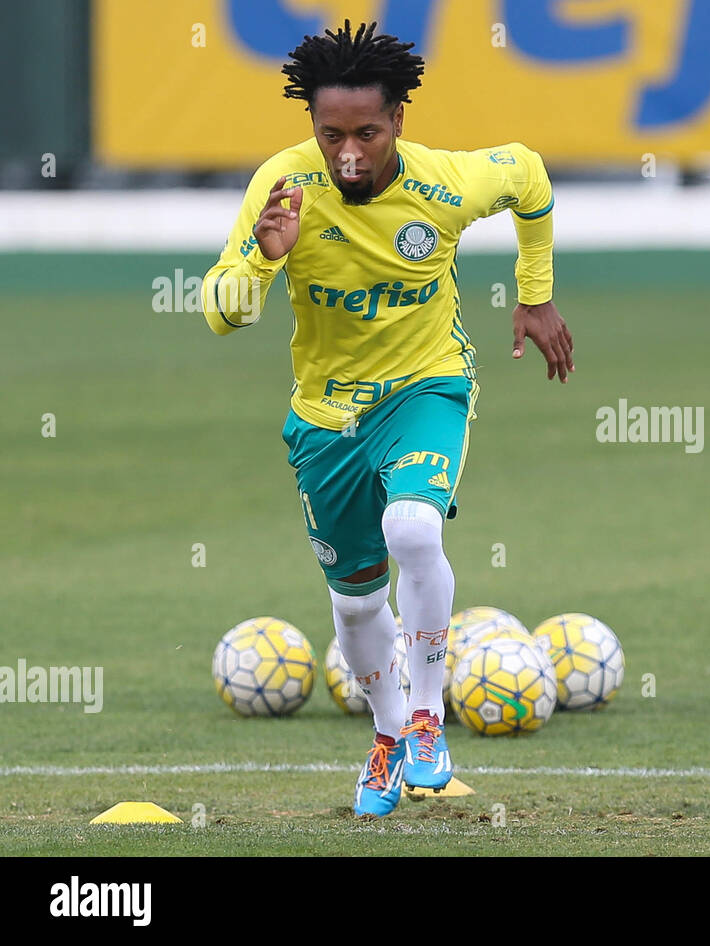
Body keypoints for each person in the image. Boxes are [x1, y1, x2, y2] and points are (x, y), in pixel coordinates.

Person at [200, 19, 573, 817]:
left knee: (414, 529)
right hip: (325, 418)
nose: (349, 155)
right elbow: (221, 317)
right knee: (357, 603)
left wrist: (535, 294)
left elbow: (530, 178)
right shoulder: (284, 186)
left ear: (399, 119)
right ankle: (390, 734)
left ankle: (431, 715)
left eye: (366, 133)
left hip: (425, 386)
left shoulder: (446, 183)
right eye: (330, 134)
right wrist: (264, 259)